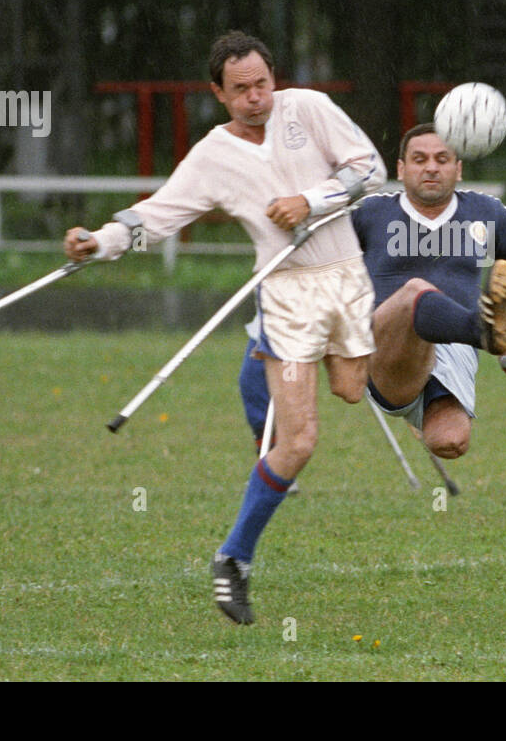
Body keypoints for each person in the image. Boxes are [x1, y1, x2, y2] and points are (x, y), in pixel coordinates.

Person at [63, 30, 385, 623]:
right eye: (241, 90)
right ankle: (234, 559)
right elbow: (158, 215)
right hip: (286, 291)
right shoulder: (213, 155)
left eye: (263, 83)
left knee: (351, 388)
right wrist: (99, 240)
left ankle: (258, 361)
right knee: (301, 440)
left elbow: (370, 167)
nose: (256, 97)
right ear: (218, 93)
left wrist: (310, 200)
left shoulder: (309, 108)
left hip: (346, 276)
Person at [352, 123, 506, 460]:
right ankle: (482, 331)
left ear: (458, 169)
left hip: (455, 352)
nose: (431, 167)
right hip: (387, 342)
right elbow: (328, 263)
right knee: (415, 292)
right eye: (419, 159)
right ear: (401, 169)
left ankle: (477, 337)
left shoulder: (486, 211)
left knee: (449, 442)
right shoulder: (371, 213)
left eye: (442, 159)